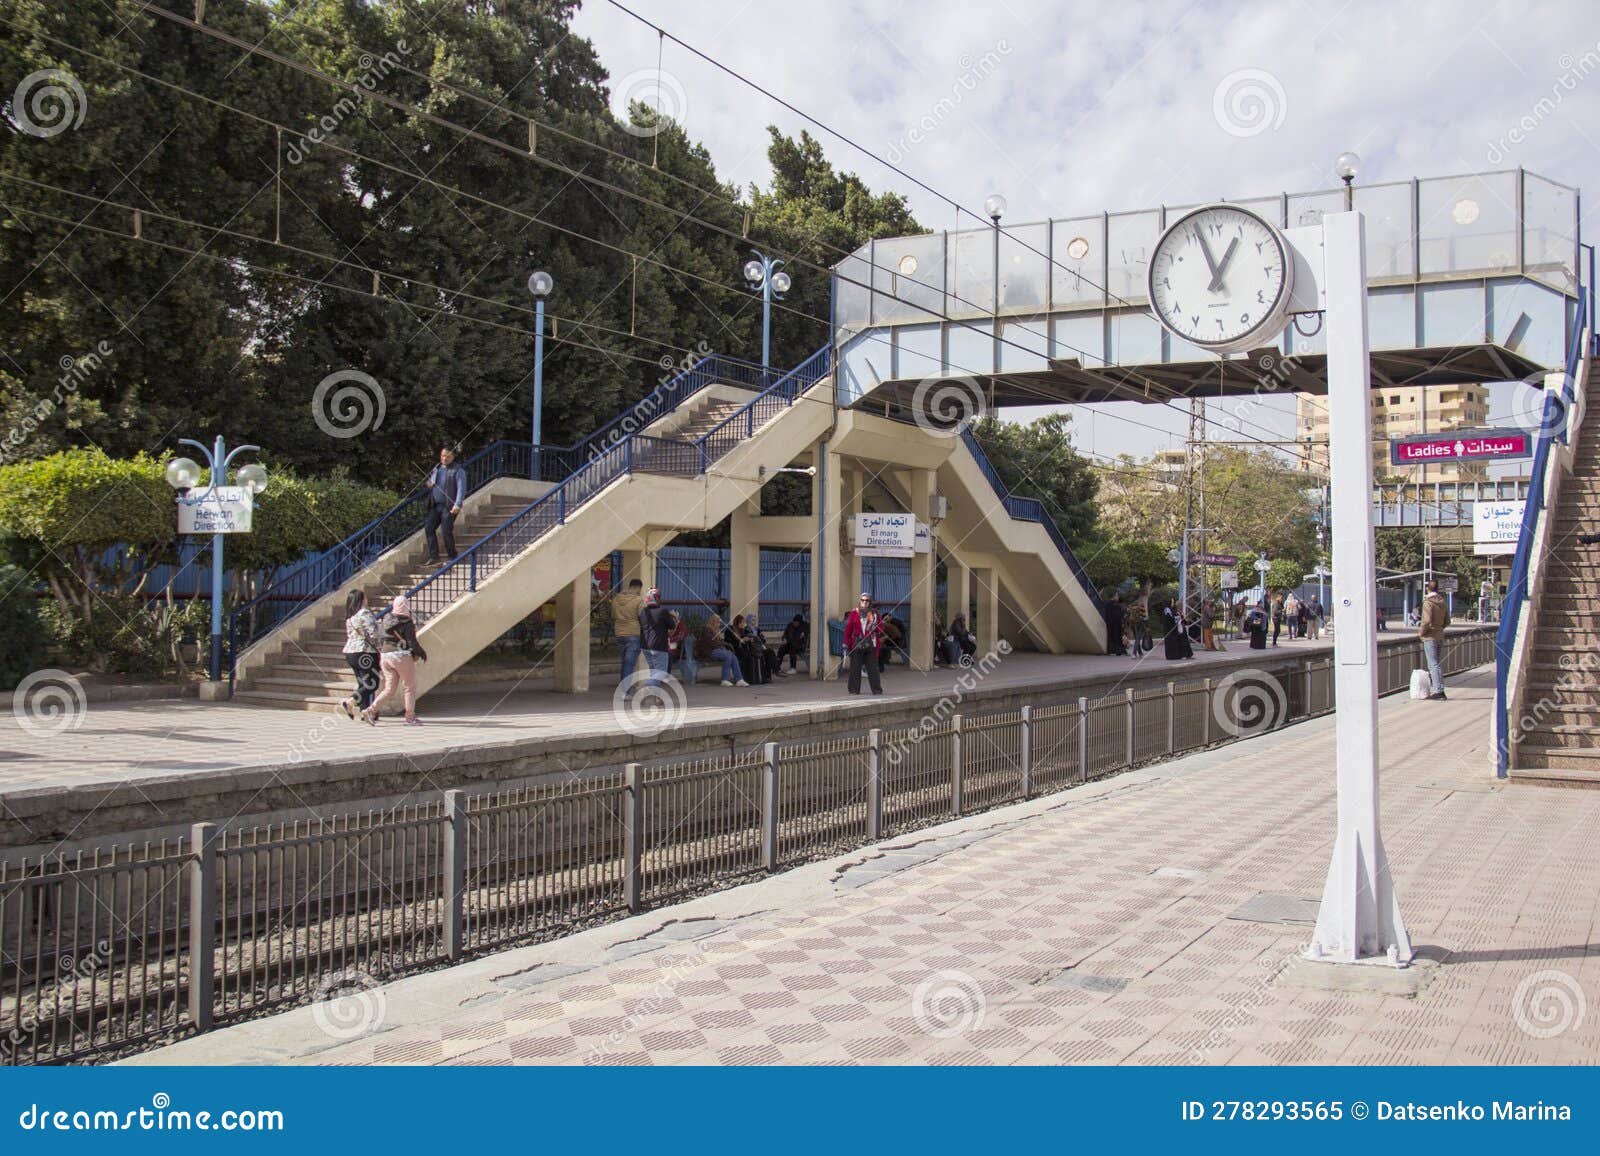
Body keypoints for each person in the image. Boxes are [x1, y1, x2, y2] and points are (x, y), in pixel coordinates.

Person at [363, 594, 428, 725]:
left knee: (389, 689)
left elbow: (379, 637)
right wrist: (421, 653)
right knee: (409, 687)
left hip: (385, 657)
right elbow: (412, 642)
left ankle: (371, 710)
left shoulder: (386, 619)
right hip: (401, 656)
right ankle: (410, 717)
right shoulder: (406, 622)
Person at [340, 589, 380, 720]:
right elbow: (374, 633)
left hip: (350, 652)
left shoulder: (350, 617)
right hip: (365, 651)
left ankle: (365, 712)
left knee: (363, 683)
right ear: (362, 600)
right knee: (373, 683)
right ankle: (351, 701)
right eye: (365, 597)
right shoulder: (364, 613)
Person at [423, 446, 467, 562]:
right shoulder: (437, 468)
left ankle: (452, 555)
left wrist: (457, 504)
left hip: (449, 506)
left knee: (446, 530)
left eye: (448, 456)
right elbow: (431, 483)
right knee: (429, 528)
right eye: (443, 455)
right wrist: (429, 484)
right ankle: (434, 556)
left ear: (453, 457)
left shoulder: (458, 470)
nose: (444, 458)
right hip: (435, 505)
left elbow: (461, 489)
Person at [843, 593, 886, 695]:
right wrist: (845, 642)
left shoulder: (874, 614)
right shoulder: (855, 613)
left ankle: (877, 690)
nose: (864, 602)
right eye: (862, 600)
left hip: (871, 644)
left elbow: (881, 628)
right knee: (855, 668)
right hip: (857, 644)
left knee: (873, 669)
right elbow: (848, 629)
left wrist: (876, 627)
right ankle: (854, 690)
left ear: (870, 602)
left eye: (866, 600)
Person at [1418, 578, 1450, 700]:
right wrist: (1439, 628)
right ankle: (1439, 689)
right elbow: (1448, 621)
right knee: (1437, 663)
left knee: (1433, 664)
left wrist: (1421, 633)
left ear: (1427, 588)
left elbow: (1426, 620)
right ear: (1437, 589)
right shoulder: (1443, 602)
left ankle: (1439, 691)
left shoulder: (1428, 602)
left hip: (1430, 636)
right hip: (1440, 635)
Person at [609, 579, 644, 685]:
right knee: (629, 664)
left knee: (625, 662)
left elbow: (613, 615)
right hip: (633, 634)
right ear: (638, 588)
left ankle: (623, 688)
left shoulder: (616, 599)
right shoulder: (638, 600)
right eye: (639, 590)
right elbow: (643, 618)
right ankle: (625, 691)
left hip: (619, 633)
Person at [638, 587, 672, 691]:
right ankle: (647, 689)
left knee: (653, 671)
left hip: (645, 646)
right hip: (659, 646)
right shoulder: (663, 611)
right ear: (657, 598)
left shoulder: (643, 612)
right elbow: (672, 625)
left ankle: (655, 695)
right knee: (660, 673)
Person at [701, 615, 749, 686]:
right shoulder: (707, 630)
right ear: (713, 622)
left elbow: (720, 642)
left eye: (719, 623)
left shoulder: (716, 630)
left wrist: (725, 645)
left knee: (733, 656)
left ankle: (739, 679)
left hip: (718, 650)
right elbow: (711, 643)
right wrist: (721, 645)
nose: (719, 624)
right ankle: (725, 679)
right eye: (718, 622)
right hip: (710, 651)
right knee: (728, 655)